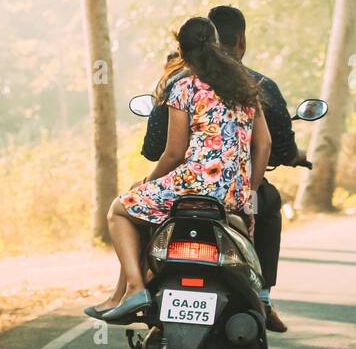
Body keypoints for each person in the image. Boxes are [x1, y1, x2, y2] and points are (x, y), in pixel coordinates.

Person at [87, 17, 271, 323]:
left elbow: (173, 153)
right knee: (138, 202)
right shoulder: (245, 88)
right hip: (234, 193)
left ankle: (134, 288)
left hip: (194, 184)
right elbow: (263, 145)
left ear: (182, 54)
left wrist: (147, 182)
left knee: (119, 210)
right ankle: (121, 294)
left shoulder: (184, 87)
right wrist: (248, 192)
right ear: (216, 45)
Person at [208, 5, 303, 333]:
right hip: (237, 186)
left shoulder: (180, 82)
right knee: (269, 202)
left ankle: (140, 283)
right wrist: (250, 188)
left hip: (186, 183)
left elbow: (155, 147)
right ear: (242, 42)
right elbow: (272, 145)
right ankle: (262, 296)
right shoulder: (257, 86)